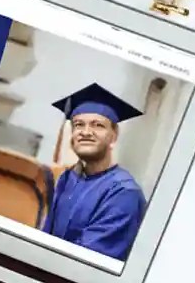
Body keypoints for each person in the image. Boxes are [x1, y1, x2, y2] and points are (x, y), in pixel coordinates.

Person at [40, 83, 147, 261]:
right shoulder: (67, 178)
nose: (86, 132)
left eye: (97, 125)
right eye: (78, 125)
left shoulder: (124, 193)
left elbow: (86, 260)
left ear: (113, 136)